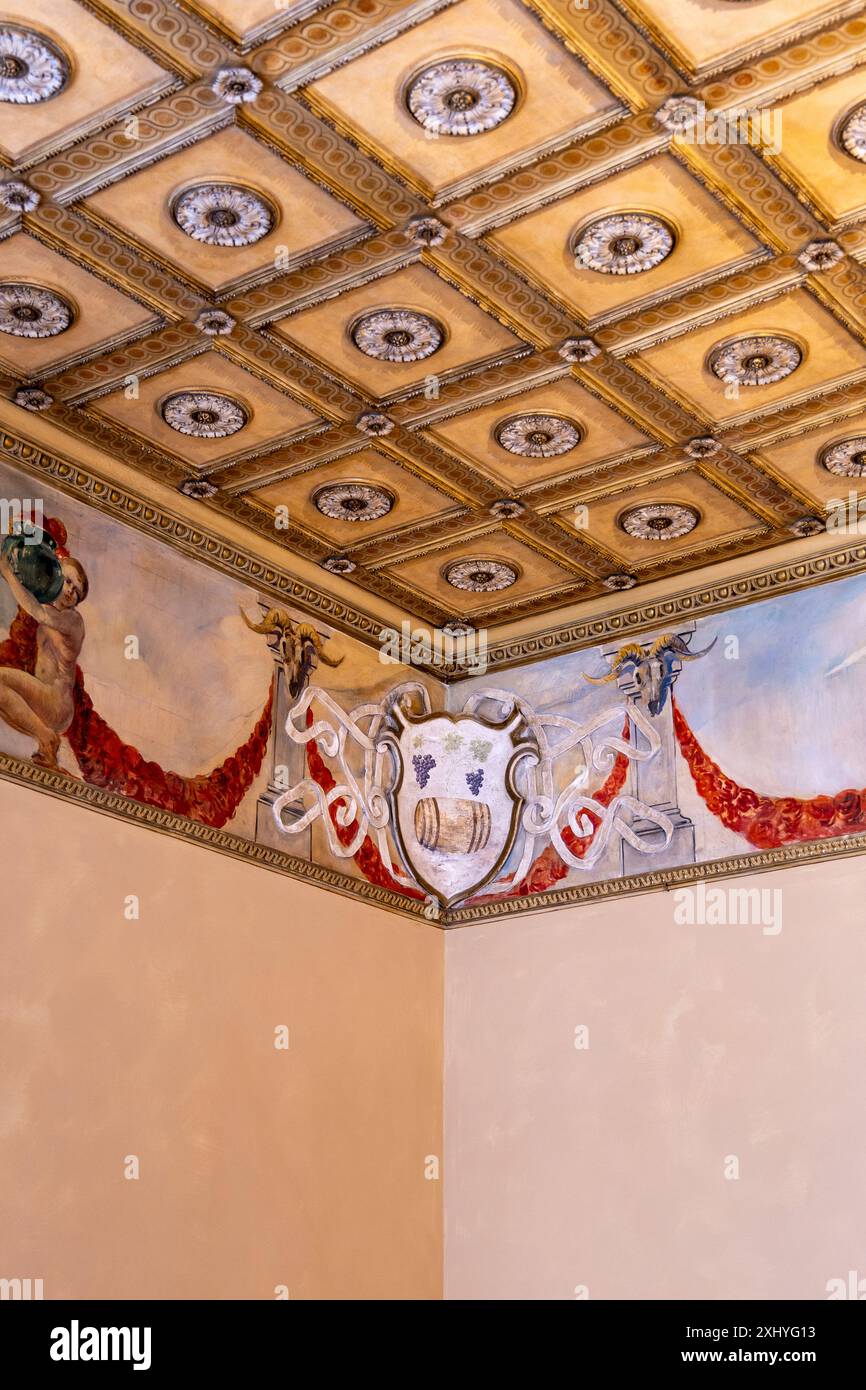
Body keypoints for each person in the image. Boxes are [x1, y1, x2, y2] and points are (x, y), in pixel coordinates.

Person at [0, 549, 87, 768]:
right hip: (44, 697)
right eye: (68, 581)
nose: (70, 592)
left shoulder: (73, 620)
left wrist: (6, 572)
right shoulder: (50, 606)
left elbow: (37, 613)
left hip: (57, 702)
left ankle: (47, 738)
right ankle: (45, 738)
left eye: (76, 591)